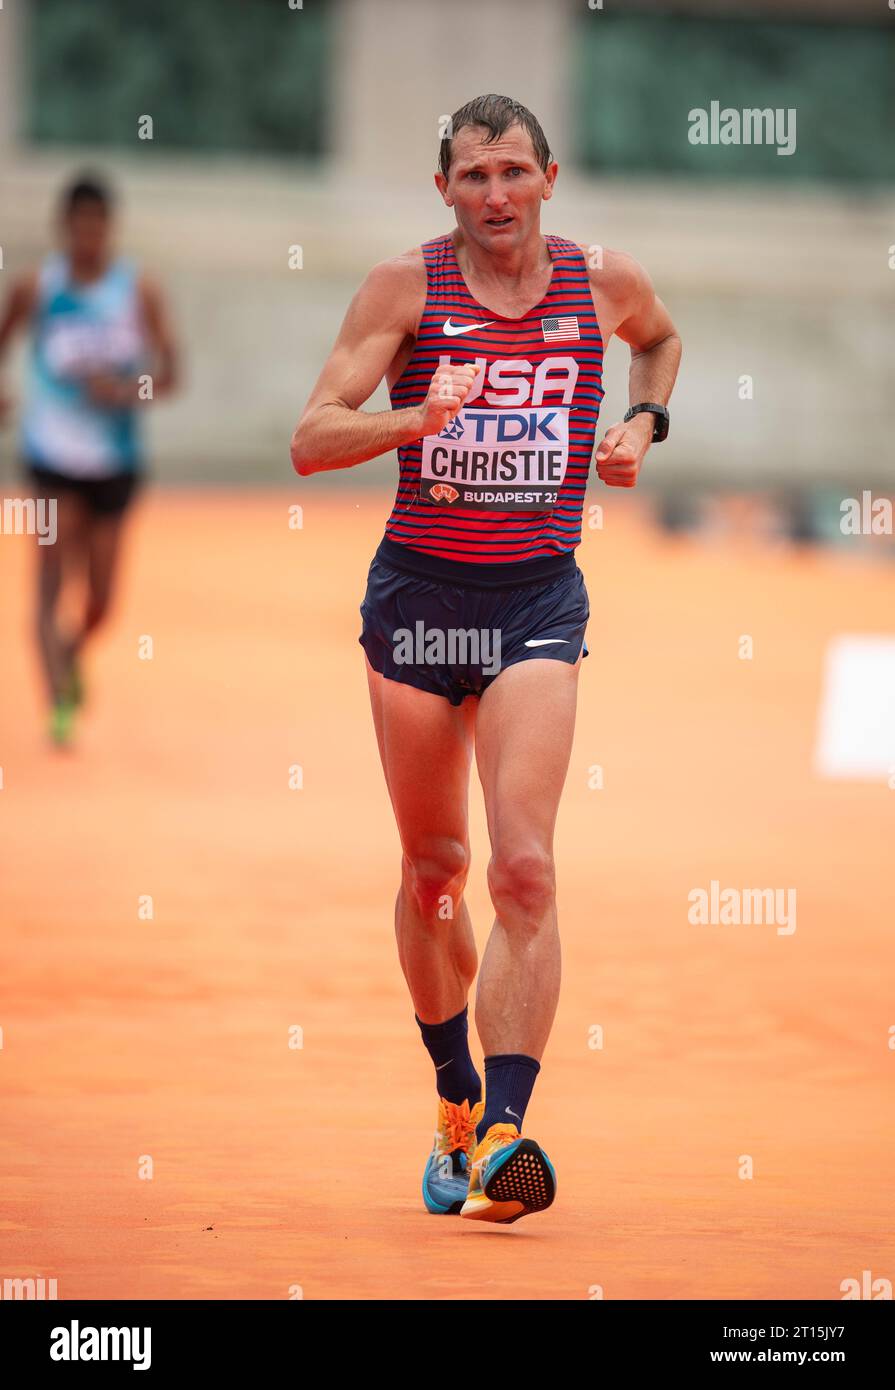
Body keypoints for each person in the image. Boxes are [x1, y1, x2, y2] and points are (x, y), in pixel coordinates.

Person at [291, 94, 681, 1224]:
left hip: (535, 602)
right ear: (443, 191)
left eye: (513, 171)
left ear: (550, 178)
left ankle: (508, 1128)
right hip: (419, 603)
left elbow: (657, 340)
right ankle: (456, 1097)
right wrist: (414, 420)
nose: (495, 195)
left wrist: (643, 423)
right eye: (473, 177)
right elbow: (314, 437)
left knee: (524, 869)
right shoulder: (403, 289)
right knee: (436, 870)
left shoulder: (601, 283)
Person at [0, 173, 178, 745]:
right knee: (51, 573)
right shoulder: (37, 287)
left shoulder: (137, 291)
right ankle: (58, 705)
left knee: (101, 598)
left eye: (97, 227)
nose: (87, 238)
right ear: (64, 227)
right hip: (49, 455)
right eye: (78, 227)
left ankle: (72, 652)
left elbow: (170, 375)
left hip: (114, 461)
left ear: (109, 228)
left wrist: (129, 392)